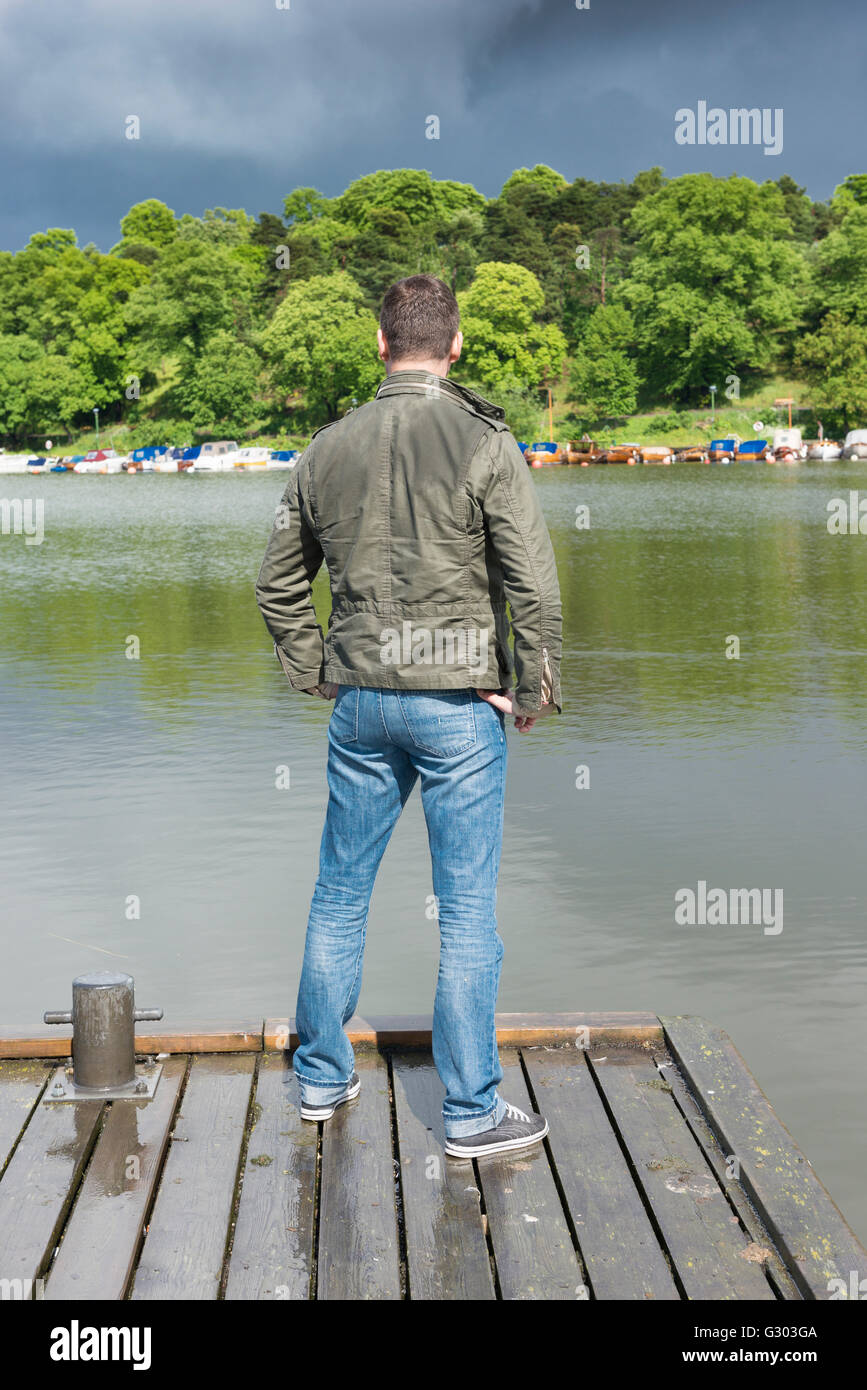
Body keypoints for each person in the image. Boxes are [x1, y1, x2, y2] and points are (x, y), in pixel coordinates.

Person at [255, 274, 562, 1158]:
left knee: (338, 894)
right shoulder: (484, 439)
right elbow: (530, 583)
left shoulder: (325, 448)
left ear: (380, 347)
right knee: (465, 910)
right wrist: (531, 687)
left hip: (360, 708)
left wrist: (318, 669)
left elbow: (277, 583)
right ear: (454, 345)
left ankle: (320, 1080)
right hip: (458, 705)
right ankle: (469, 1115)